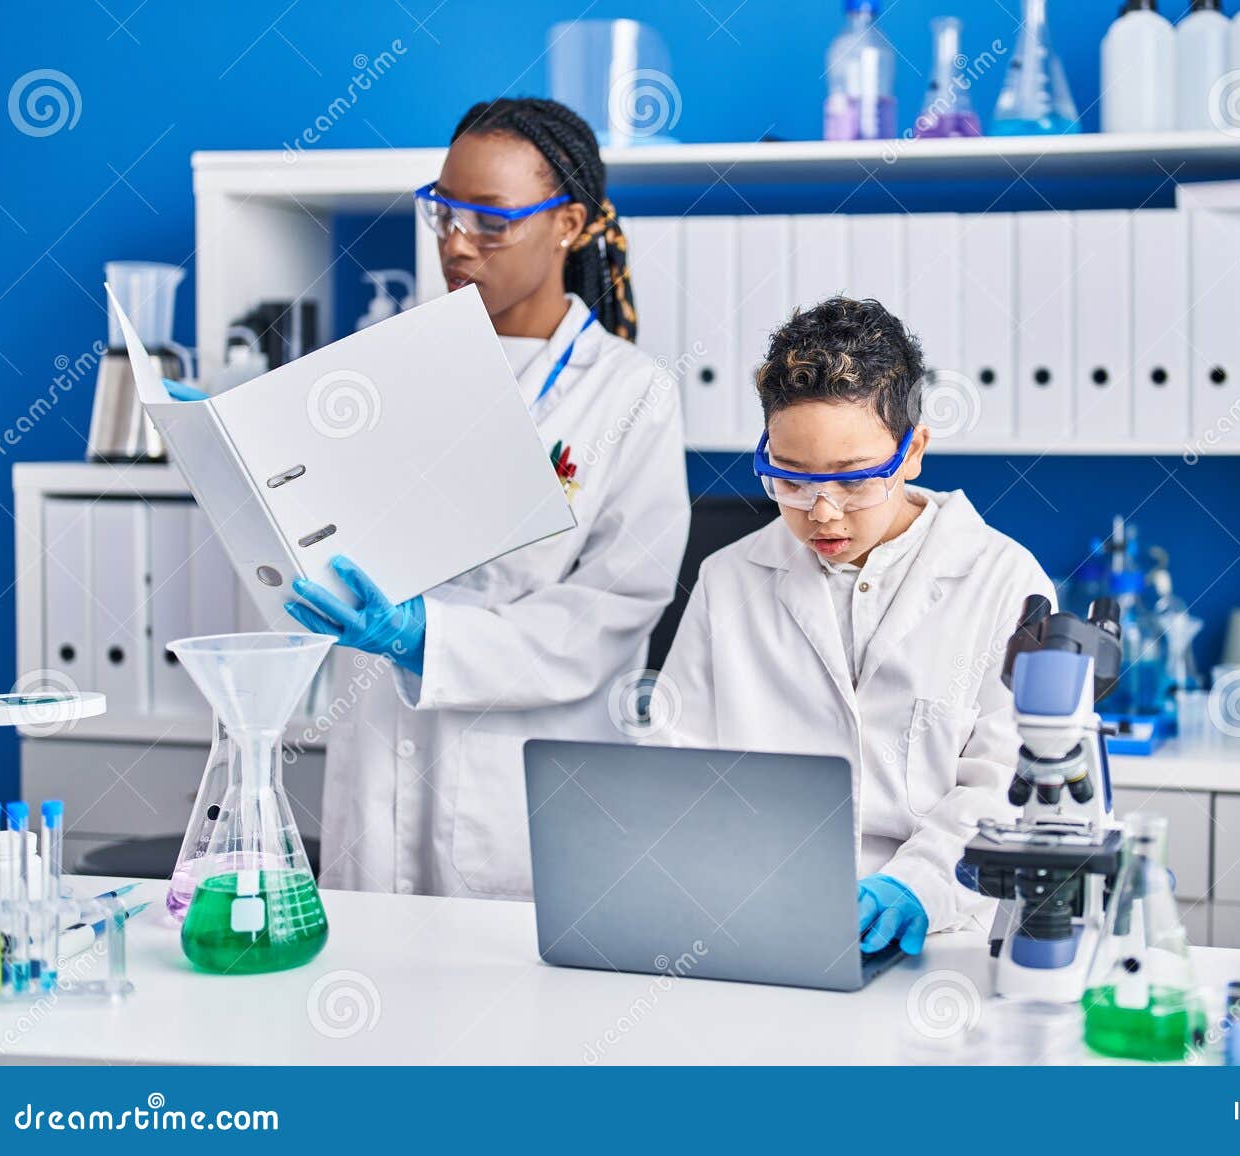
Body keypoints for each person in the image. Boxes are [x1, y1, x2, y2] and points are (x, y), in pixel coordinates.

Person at [283, 97, 689, 899]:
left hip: (522, 786)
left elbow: (615, 609)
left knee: (513, 1004)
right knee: (371, 991)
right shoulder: (382, 367)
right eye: (443, 213)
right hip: (378, 762)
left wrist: (427, 638)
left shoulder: (630, 395)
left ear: (568, 222)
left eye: (490, 222)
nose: (456, 244)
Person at [655, 297, 1049, 955]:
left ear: (913, 450)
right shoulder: (729, 579)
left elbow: (1009, 783)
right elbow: (671, 768)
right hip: (755, 921)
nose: (821, 512)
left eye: (853, 480)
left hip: (939, 930)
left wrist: (916, 888)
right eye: (791, 479)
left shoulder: (1003, 580)